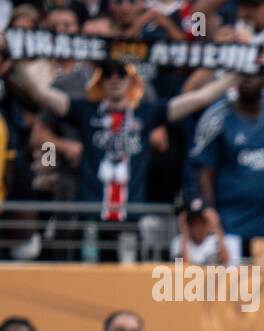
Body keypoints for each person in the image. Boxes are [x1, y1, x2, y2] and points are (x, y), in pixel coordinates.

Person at [5, 57, 237, 224]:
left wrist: (239, 72)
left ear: (131, 80)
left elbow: (200, 98)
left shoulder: (147, 112)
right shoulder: (85, 111)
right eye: (107, 74)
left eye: (121, 74)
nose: (114, 79)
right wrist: (14, 57)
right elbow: (40, 94)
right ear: (99, 80)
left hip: (131, 215)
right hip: (91, 215)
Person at [191, 65, 264, 263]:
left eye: (254, 75)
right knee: (231, 291)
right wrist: (209, 210)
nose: (248, 80)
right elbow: (204, 169)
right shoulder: (217, 117)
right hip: (230, 222)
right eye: (243, 75)